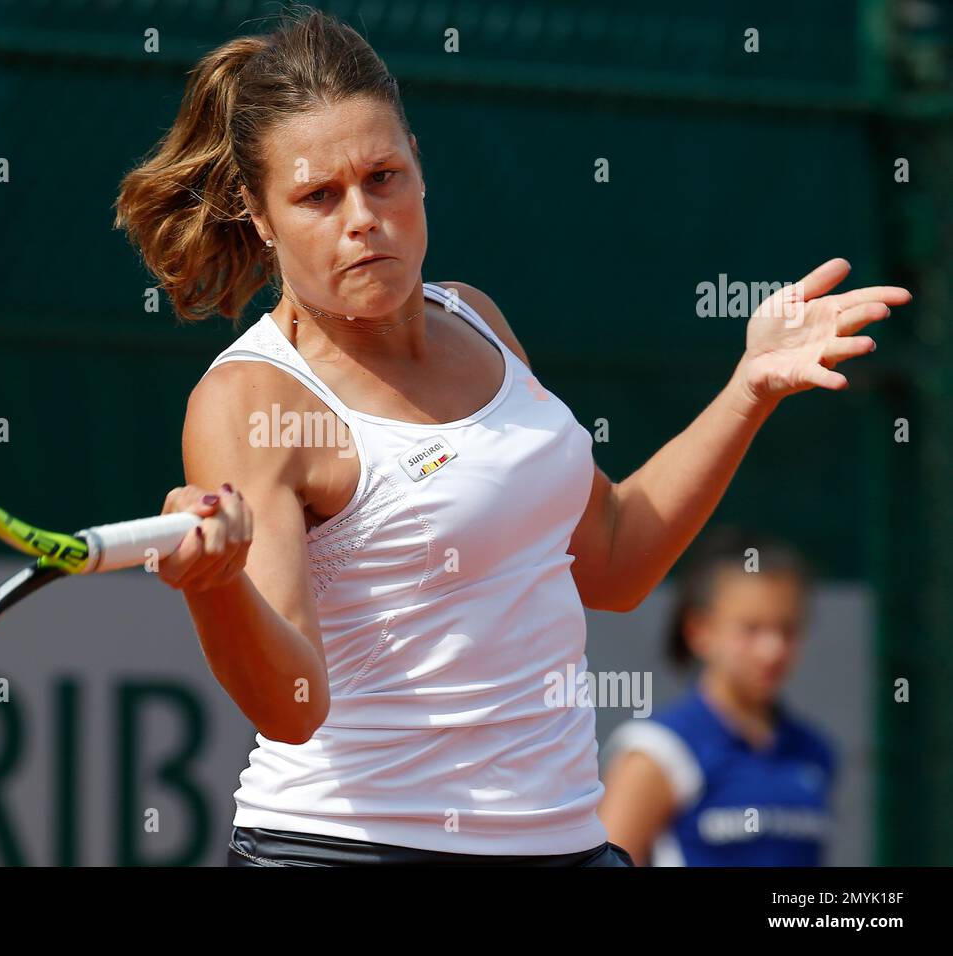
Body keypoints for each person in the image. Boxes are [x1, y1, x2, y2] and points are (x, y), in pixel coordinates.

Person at [111, 5, 908, 866]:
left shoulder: (476, 318)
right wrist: (216, 587)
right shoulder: (249, 399)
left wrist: (748, 389)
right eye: (317, 196)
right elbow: (291, 708)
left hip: (567, 843)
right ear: (260, 215)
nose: (362, 217)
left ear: (419, 165)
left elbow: (614, 559)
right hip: (348, 850)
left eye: (383, 176)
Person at [599, 527, 837, 866]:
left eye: (787, 629)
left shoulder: (814, 752)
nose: (772, 650)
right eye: (751, 629)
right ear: (699, 631)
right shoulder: (658, 751)